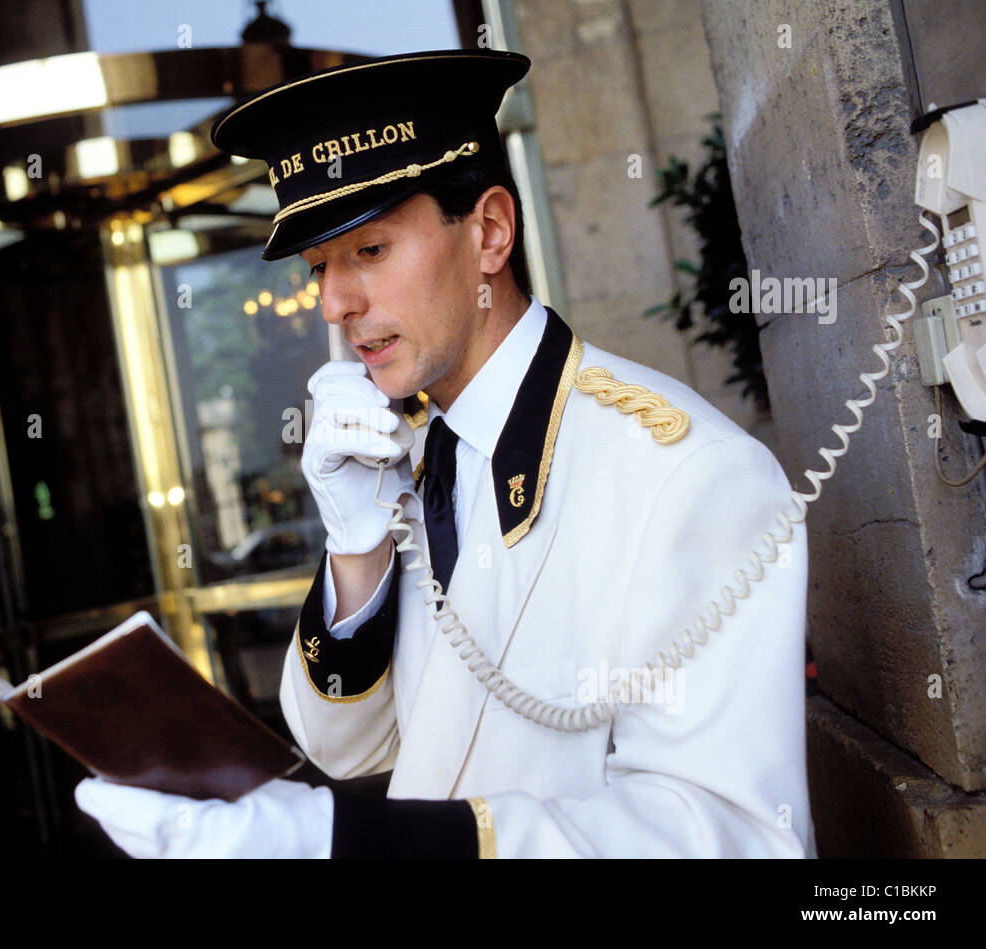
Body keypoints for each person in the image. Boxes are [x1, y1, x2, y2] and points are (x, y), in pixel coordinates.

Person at [75, 48, 814, 858]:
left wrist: (338, 837)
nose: (334, 300)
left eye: (371, 250)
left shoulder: (683, 471)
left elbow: (741, 839)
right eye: (321, 263)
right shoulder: (420, 452)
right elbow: (344, 747)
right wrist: (356, 554)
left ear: (490, 231)